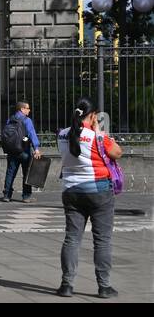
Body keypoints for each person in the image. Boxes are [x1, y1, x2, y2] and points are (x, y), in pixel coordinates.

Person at [57, 99, 122, 298]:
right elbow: (117, 153)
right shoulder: (97, 136)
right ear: (93, 115)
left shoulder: (61, 134)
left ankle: (66, 285)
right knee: (102, 241)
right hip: (99, 190)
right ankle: (104, 287)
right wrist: (100, 131)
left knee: (72, 239)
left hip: (71, 191)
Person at [1, 100, 42, 203]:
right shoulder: (26, 120)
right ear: (22, 109)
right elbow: (32, 134)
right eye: (27, 108)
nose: (29, 110)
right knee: (26, 173)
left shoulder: (10, 119)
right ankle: (26, 196)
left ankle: (7, 195)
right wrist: (36, 148)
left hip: (12, 151)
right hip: (24, 150)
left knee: (10, 173)